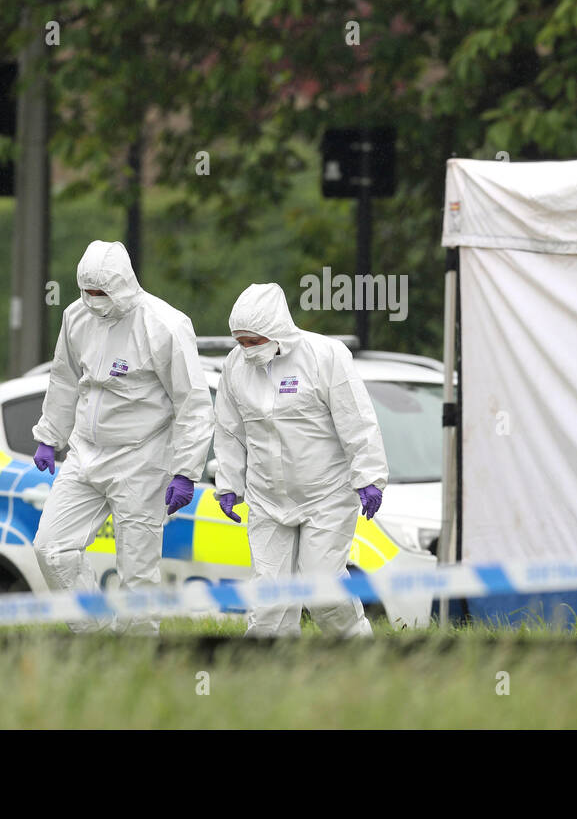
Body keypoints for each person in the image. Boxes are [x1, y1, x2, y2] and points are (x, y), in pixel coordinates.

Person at [30, 240, 213, 634]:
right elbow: (63, 377)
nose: (93, 300)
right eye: (87, 292)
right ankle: (95, 633)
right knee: (52, 548)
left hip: (142, 460)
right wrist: (50, 435)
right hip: (84, 453)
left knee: (137, 571)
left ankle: (140, 653)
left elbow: (193, 403)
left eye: (101, 293)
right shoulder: (76, 317)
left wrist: (186, 471)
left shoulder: (164, 325)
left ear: (124, 285)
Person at [213, 282, 388, 637]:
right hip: (267, 499)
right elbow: (229, 430)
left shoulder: (325, 356)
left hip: (325, 495)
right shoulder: (235, 366)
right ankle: (269, 674)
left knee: (322, 589)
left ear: (275, 331)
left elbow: (355, 418)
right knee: (269, 602)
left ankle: (360, 653)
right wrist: (229, 484)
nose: (246, 349)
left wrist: (368, 476)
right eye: (240, 341)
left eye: (253, 341)